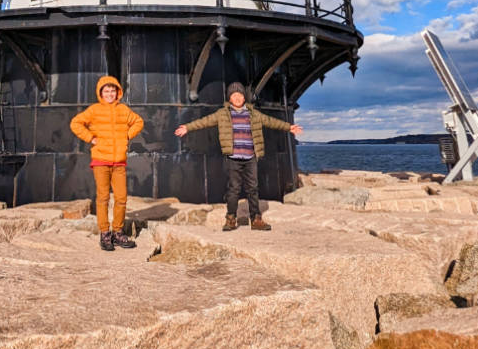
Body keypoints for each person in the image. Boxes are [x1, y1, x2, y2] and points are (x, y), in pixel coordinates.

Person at [174, 81, 303, 231]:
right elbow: (205, 122)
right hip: (233, 157)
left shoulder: (253, 113)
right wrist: (187, 128)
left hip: (251, 157)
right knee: (233, 189)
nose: (237, 97)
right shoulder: (222, 114)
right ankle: (230, 219)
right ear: (229, 98)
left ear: (244, 98)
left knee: (253, 188)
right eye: (234, 95)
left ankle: (256, 219)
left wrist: (289, 127)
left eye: (240, 95)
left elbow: (271, 122)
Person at [70, 75, 145, 251]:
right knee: (103, 197)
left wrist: (127, 135)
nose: (110, 94)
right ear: (101, 93)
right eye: (106, 91)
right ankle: (105, 233)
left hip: (119, 161)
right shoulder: (94, 110)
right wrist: (90, 138)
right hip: (100, 160)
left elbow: (138, 122)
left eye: (113, 90)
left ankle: (117, 232)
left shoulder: (123, 109)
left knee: (121, 198)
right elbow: (76, 123)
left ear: (117, 92)